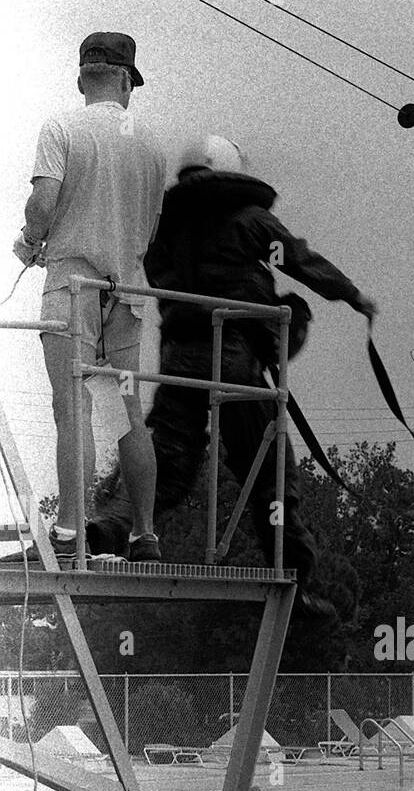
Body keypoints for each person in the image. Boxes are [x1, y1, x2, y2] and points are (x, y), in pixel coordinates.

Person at [87, 135, 376, 605]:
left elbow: (154, 277)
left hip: (181, 358)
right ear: (231, 170)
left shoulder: (163, 231)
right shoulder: (251, 221)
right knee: (269, 475)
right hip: (236, 362)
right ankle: (295, 579)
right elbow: (297, 260)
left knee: (169, 460)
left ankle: (112, 524)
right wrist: (352, 295)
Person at [13, 32, 166, 564]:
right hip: (127, 296)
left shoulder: (62, 127)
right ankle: (144, 533)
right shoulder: (149, 144)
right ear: (126, 80)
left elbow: (43, 203)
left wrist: (31, 243)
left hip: (72, 289)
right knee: (126, 412)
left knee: (71, 408)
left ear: (82, 77)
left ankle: (72, 530)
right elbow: (150, 228)